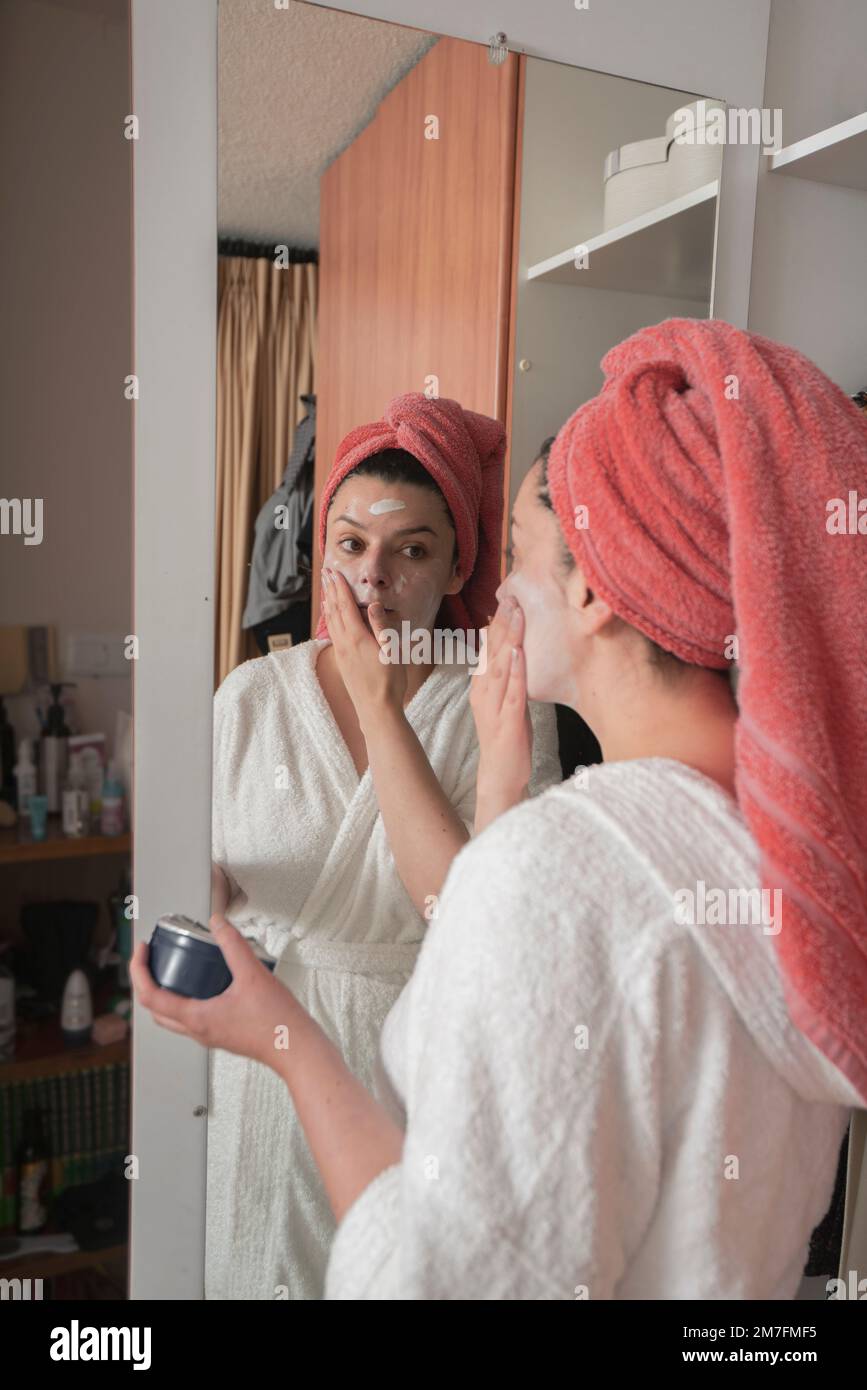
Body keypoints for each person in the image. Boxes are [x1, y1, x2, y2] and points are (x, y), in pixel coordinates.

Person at [134, 318, 866, 1299]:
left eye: (515, 557)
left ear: (598, 592)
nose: (501, 599)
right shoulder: (793, 862)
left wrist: (283, 1036)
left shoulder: (563, 871)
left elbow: (435, 1283)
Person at [203, 392, 560, 1299]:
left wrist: (374, 699)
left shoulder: (504, 703)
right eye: (353, 544)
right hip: (261, 1064)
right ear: (323, 556)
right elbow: (198, 885)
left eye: (412, 550)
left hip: (412, 1070)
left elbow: (476, 919)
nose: (374, 577)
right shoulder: (249, 697)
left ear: (453, 568)